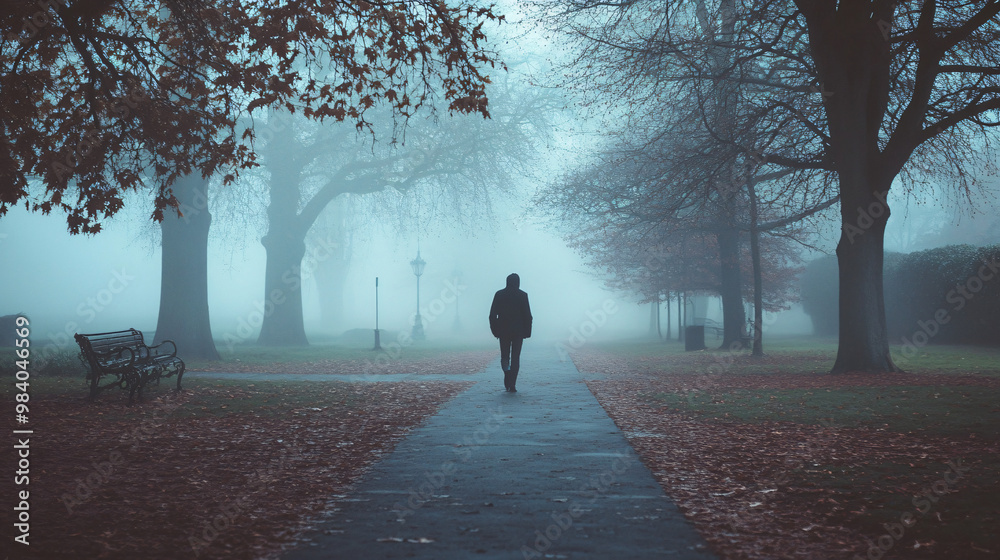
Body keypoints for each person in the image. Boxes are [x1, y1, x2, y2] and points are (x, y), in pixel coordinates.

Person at [489, 273, 532, 392]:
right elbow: (527, 315)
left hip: (503, 330)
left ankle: (507, 372)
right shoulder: (522, 295)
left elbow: (492, 315)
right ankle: (512, 382)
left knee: (504, 356)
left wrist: (495, 330)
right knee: (515, 357)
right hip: (518, 331)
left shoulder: (499, 294)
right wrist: (527, 332)